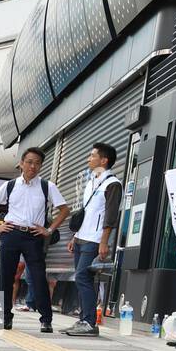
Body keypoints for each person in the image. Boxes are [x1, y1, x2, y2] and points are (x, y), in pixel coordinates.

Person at [0, 149, 70, 332]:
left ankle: (46, 320)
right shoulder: (10, 185)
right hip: (11, 234)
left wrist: (48, 229)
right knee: (6, 278)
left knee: (38, 277)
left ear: (41, 165)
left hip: (33, 236)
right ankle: (5, 318)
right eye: (30, 162)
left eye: (37, 163)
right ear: (22, 163)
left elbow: (64, 210)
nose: (33, 166)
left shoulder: (47, 186)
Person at [63, 143, 122, 337]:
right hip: (81, 238)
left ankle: (89, 323)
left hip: (95, 240)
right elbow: (86, 213)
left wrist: (104, 242)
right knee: (81, 279)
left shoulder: (112, 184)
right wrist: (75, 236)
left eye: (92, 156)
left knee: (83, 277)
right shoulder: (91, 182)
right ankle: (83, 320)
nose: (89, 159)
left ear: (103, 160)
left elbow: (110, 217)